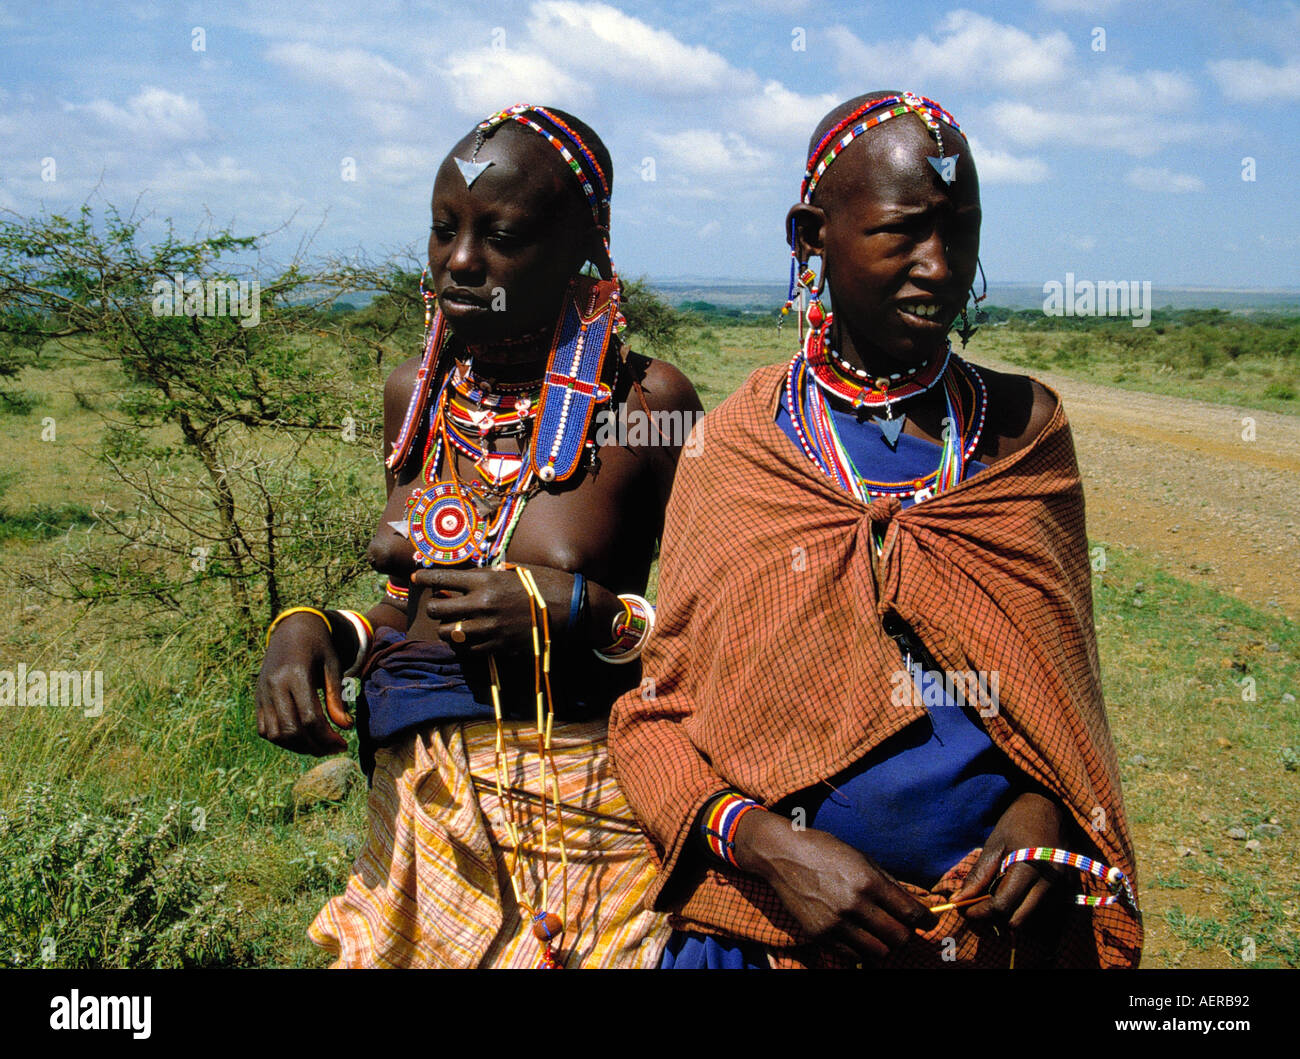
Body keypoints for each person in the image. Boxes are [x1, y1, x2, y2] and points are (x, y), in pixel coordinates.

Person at [607, 91, 1142, 969]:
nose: (940, 264)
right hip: (777, 928)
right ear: (811, 237)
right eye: (904, 231)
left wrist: (1043, 810)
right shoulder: (742, 443)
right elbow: (660, 715)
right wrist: (779, 851)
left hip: (992, 936)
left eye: (959, 229)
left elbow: (1060, 704)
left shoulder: (1023, 431)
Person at [256, 103, 701, 968]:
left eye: (500, 234)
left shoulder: (648, 405)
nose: (460, 261)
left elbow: (711, 626)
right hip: (418, 821)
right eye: (443, 230)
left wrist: (583, 610)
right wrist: (312, 629)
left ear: (584, 245)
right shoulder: (414, 395)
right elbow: (404, 609)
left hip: (593, 831)